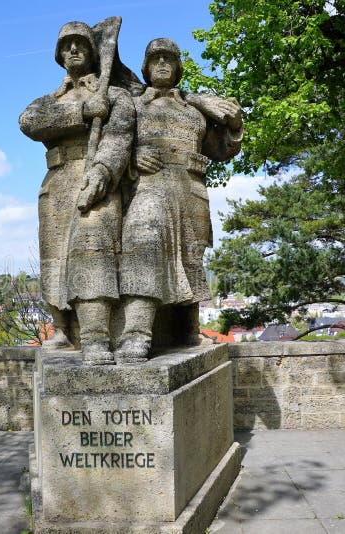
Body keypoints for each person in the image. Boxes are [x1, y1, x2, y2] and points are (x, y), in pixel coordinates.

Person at [116, 38, 243, 362]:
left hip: (189, 189)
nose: (162, 63)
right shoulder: (133, 104)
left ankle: (188, 330)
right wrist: (132, 157)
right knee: (142, 242)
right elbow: (111, 140)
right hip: (150, 185)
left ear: (178, 68)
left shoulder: (194, 110)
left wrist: (234, 123)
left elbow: (222, 150)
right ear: (144, 67)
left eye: (168, 59)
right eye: (155, 58)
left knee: (192, 256)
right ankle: (136, 333)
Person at [19, 21, 135, 365]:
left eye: (80, 44)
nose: (72, 50)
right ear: (58, 55)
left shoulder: (114, 96)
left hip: (96, 179)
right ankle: (62, 328)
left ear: (92, 52)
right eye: (66, 45)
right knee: (53, 258)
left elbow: (119, 137)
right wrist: (82, 111)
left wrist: (102, 173)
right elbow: (29, 122)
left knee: (94, 253)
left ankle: (96, 338)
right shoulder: (48, 101)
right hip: (56, 183)